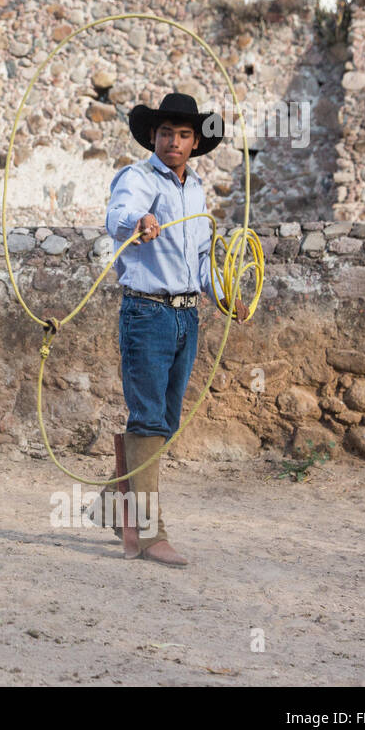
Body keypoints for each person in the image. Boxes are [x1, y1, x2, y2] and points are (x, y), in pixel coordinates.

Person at [86, 92, 249, 567]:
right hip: (147, 313)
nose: (172, 142)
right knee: (148, 419)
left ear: (195, 142)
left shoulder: (195, 191)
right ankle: (152, 532)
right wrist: (138, 220)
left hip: (186, 314)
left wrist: (220, 293)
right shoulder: (137, 179)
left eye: (182, 134)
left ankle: (115, 507)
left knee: (166, 421)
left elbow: (199, 259)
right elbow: (116, 218)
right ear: (153, 138)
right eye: (164, 133)